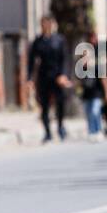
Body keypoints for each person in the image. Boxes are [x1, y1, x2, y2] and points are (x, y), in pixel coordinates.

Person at [27, 15, 70, 143]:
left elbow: (65, 59)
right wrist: (29, 78)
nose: (45, 26)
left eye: (47, 23)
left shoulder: (59, 40)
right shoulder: (38, 41)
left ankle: (61, 126)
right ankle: (47, 132)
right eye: (43, 23)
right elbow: (31, 61)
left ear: (52, 24)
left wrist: (63, 75)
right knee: (44, 105)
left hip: (57, 76)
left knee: (60, 103)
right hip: (43, 77)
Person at [77, 30, 107, 142]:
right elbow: (79, 76)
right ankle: (92, 132)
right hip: (87, 90)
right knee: (88, 112)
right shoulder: (82, 59)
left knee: (95, 111)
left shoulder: (98, 55)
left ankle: (99, 130)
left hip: (97, 89)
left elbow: (103, 74)